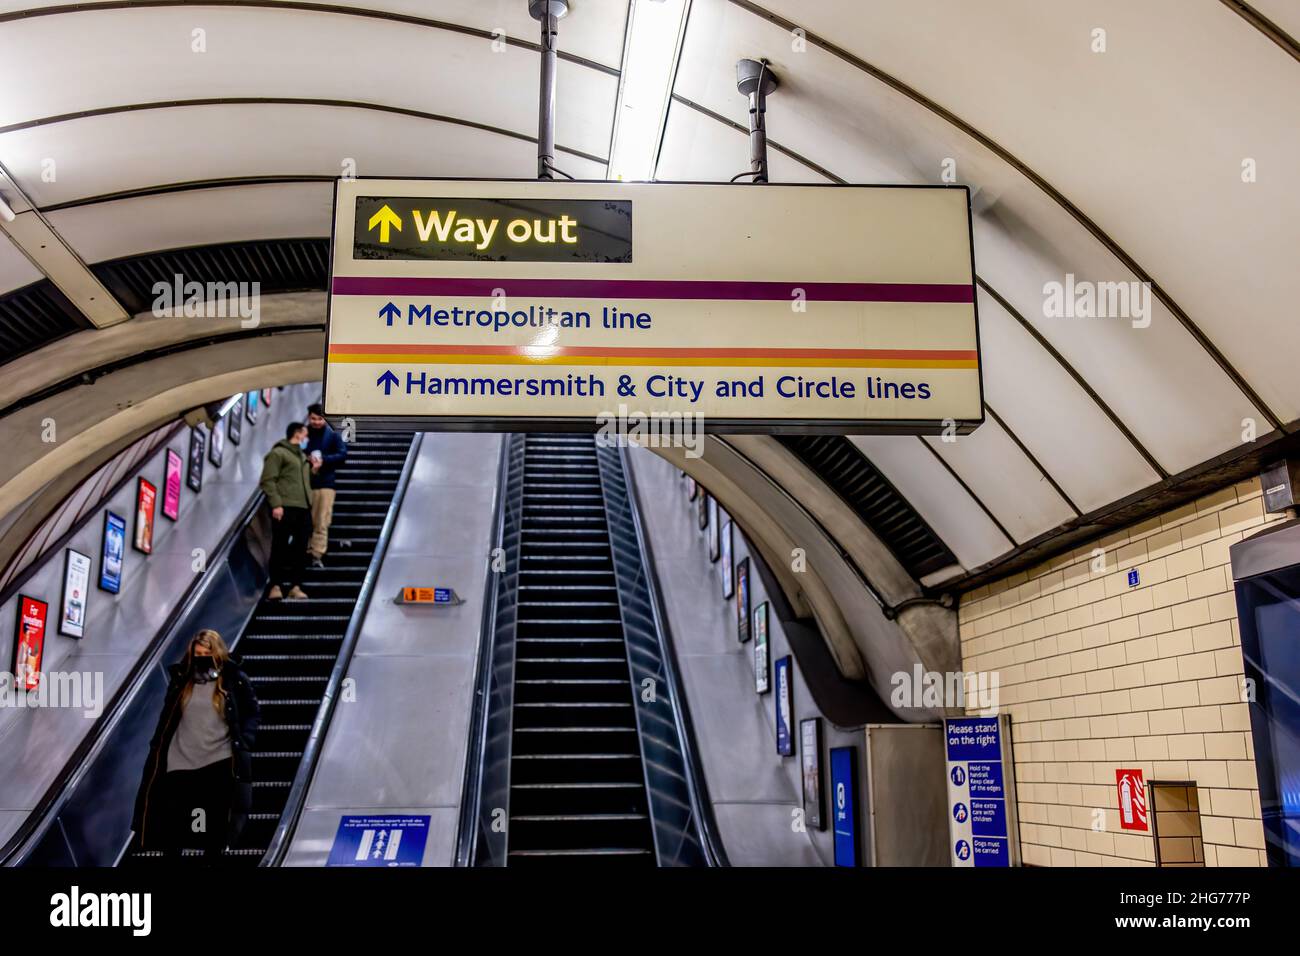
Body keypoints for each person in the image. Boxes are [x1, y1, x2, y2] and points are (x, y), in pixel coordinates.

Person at [132, 630, 259, 863]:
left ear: (217, 652)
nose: (201, 657)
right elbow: (169, 716)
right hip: (180, 758)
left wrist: (246, 739)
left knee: (214, 824)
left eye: (206, 653)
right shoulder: (182, 678)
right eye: (197, 653)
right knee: (175, 824)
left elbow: (252, 711)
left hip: (219, 758)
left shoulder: (233, 678)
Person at [260, 421, 313, 600]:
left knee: (300, 549)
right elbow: (267, 480)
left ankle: (296, 586)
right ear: (297, 433)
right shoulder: (278, 453)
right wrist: (276, 504)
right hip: (285, 508)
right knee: (279, 547)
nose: (307, 438)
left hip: (304, 508)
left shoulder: (303, 457)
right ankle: (276, 585)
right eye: (305, 434)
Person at [304, 403, 348, 570]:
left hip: (325, 484)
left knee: (321, 520)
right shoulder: (303, 434)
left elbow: (343, 454)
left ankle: (316, 554)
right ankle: (305, 550)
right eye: (313, 419)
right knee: (306, 521)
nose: (316, 422)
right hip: (305, 483)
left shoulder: (332, 435)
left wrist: (324, 460)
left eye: (319, 419)